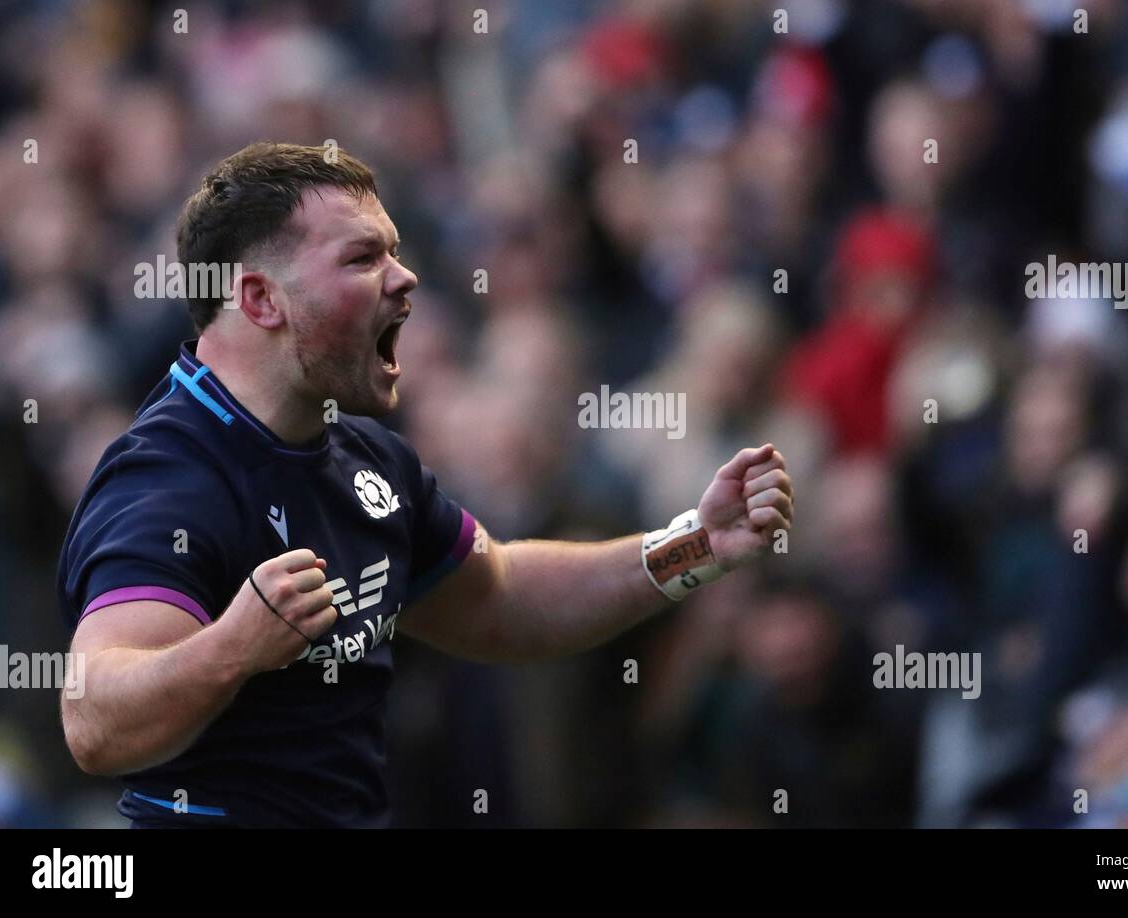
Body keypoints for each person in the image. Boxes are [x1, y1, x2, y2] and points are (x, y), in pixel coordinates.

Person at [56, 142, 795, 828]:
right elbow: (93, 722)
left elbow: (500, 596)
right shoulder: (170, 479)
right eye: (362, 258)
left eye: (396, 253)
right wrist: (232, 646)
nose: (404, 277)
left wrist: (693, 546)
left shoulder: (367, 459)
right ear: (261, 300)